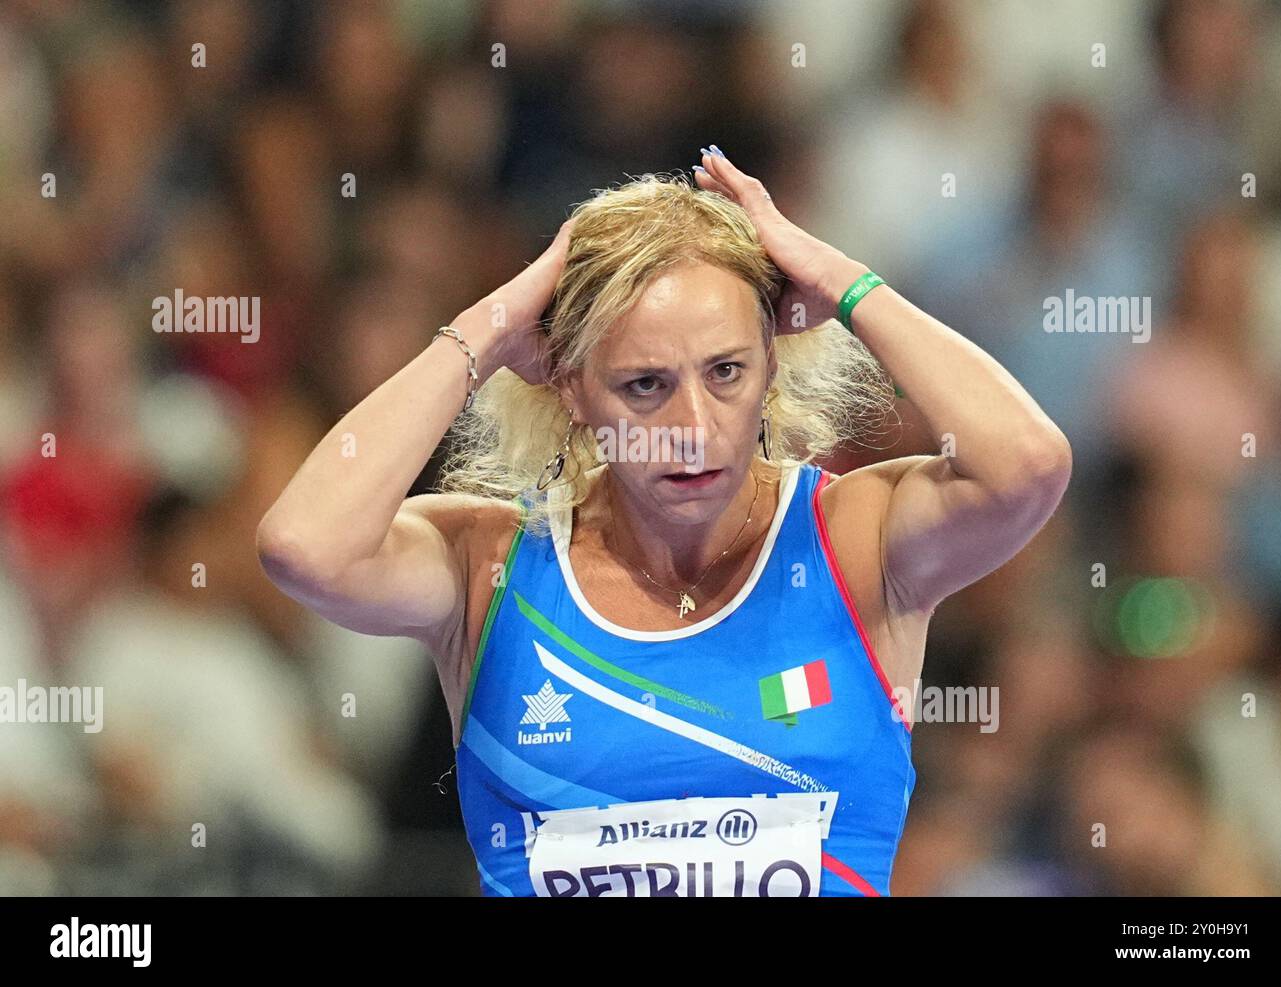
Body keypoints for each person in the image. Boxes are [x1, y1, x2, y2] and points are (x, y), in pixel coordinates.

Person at [256, 146, 1072, 896]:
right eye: (645, 384)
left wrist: (847, 285)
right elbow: (304, 546)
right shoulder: (492, 565)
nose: (693, 423)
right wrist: (493, 326)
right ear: (571, 387)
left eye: (725, 371)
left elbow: (1028, 464)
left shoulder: (853, 538)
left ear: (771, 361)